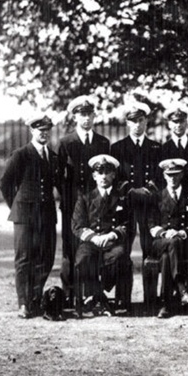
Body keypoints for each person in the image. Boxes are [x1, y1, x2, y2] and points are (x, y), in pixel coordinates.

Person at [0, 114, 64, 319]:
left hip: (46, 215)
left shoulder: (52, 157)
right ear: (32, 131)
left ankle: (36, 298)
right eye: (40, 130)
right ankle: (24, 303)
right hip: (24, 216)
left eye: (47, 130)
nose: (43, 133)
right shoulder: (21, 154)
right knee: (24, 259)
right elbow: (5, 183)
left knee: (45, 258)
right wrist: (17, 206)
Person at [58, 95, 110, 302]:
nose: (86, 119)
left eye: (89, 114)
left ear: (94, 116)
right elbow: (58, 175)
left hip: (96, 203)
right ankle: (71, 294)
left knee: (93, 246)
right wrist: (66, 198)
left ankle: (92, 293)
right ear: (75, 117)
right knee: (70, 247)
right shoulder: (66, 143)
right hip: (72, 203)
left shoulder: (102, 142)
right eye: (82, 115)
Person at [72, 154, 132, 316]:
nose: (103, 177)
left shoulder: (121, 197)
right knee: (82, 258)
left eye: (107, 173)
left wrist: (111, 235)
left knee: (120, 256)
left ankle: (97, 295)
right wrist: (94, 238)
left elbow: (127, 224)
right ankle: (99, 298)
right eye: (100, 173)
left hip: (111, 241)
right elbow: (77, 225)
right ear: (94, 176)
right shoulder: (85, 197)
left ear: (113, 175)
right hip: (92, 241)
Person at [147, 159, 188, 318]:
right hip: (161, 241)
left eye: (176, 175)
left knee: (166, 258)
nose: (172, 178)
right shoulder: (156, 196)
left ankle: (165, 304)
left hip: (182, 242)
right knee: (171, 244)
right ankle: (182, 289)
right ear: (164, 176)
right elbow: (151, 224)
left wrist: (181, 232)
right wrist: (165, 233)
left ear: (182, 175)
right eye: (169, 175)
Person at [110, 98, 162, 261]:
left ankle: (150, 286)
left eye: (140, 120)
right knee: (123, 248)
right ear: (127, 123)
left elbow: (159, 176)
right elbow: (115, 176)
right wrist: (131, 190)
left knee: (150, 250)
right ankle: (123, 286)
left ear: (146, 121)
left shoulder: (155, 148)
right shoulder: (117, 148)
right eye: (133, 121)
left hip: (148, 203)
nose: (137, 125)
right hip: (126, 203)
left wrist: (147, 190)